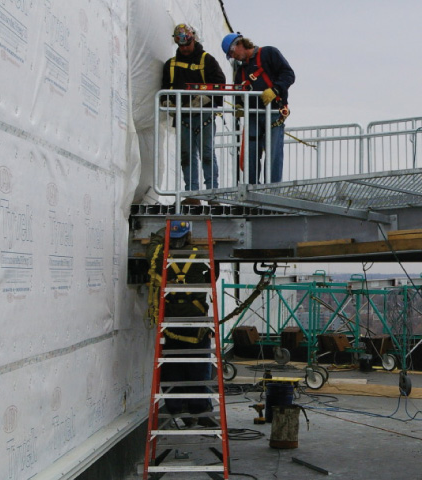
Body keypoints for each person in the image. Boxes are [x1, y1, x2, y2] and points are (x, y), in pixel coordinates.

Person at [147, 221, 213, 425]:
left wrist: (159, 235)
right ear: (187, 236)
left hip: (172, 325)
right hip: (196, 325)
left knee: (172, 368)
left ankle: (175, 406)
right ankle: (199, 408)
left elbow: (152, 250)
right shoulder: (200, 255)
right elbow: (213, 274)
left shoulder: (161, 257)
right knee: (198, 368)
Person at [162, 24, 226, 201]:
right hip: (183, 116)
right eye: (180, 45)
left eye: (186, 44)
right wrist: (167, 102)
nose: (184, 48)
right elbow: (164, 89)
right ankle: (191, 194)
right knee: (187, 155)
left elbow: (220, 82)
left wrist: (206, 98)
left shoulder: (207, 61)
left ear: (193, 39)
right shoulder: (171, 65)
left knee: (207, 153)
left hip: (204, 115)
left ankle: (212, 195)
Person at [222, 33, 295, 184]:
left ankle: (272, 191)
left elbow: (288, 74)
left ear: (240, 45)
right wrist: (239, 106)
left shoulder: (268, 54)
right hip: (253, 116)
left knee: (273, 154)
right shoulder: (241, 71)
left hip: (274, 113)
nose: (234, 57)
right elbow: (238, 92)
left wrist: (275, 90)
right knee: (251, 154)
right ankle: (252, 190)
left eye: (232, 53)